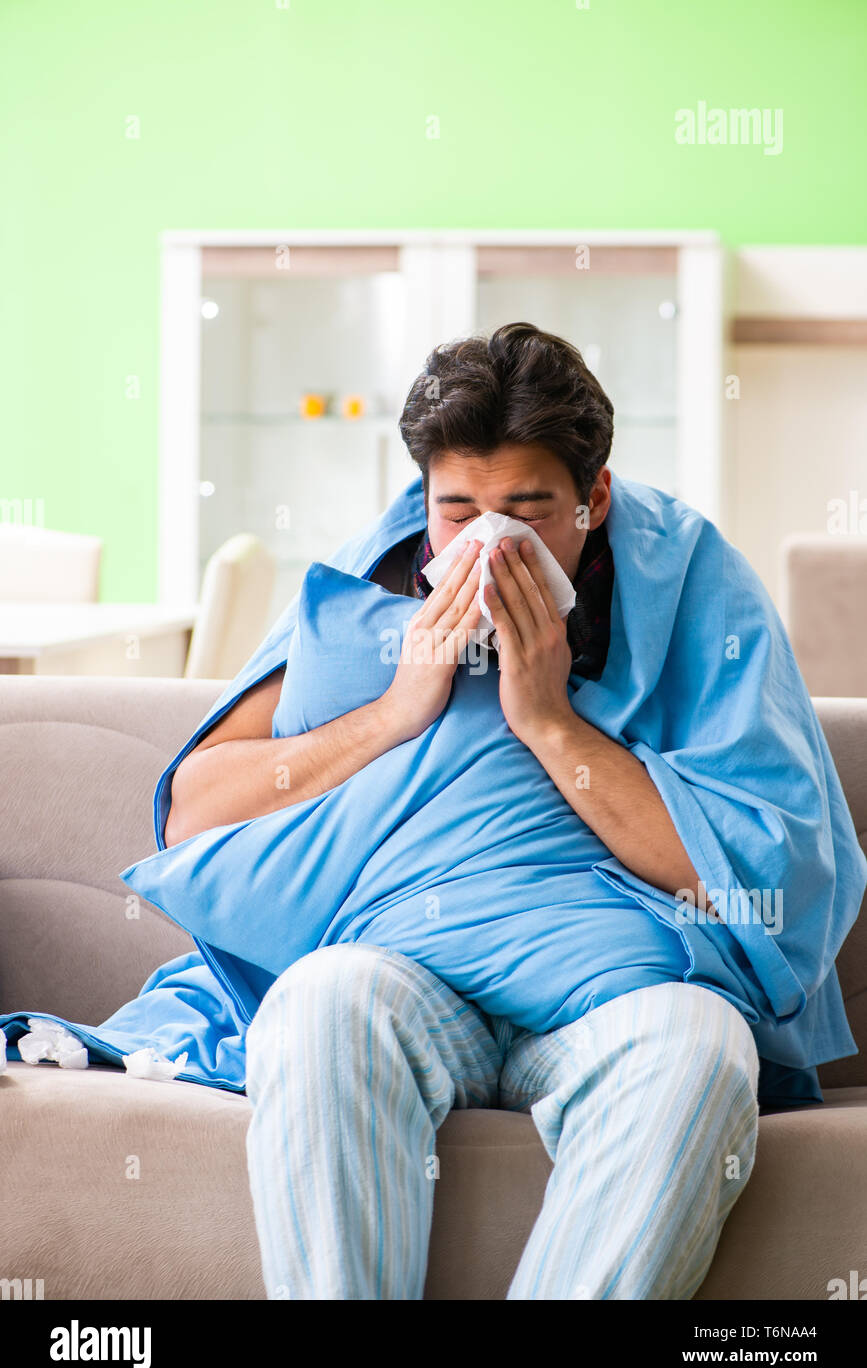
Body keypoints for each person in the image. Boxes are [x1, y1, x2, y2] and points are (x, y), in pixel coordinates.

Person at [162, 323, 767, 1299]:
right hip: (409, 972)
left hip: (611, 992)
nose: (488, 543)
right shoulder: (373, 582)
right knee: (318, 1003)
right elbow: (197, 809)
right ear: (422, 500)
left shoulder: (694, 588)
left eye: (529, 509)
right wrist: (399, 709)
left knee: (701, 1051)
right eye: (459, 512)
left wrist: (551, 720)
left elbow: (750, 877)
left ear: (594, 497)